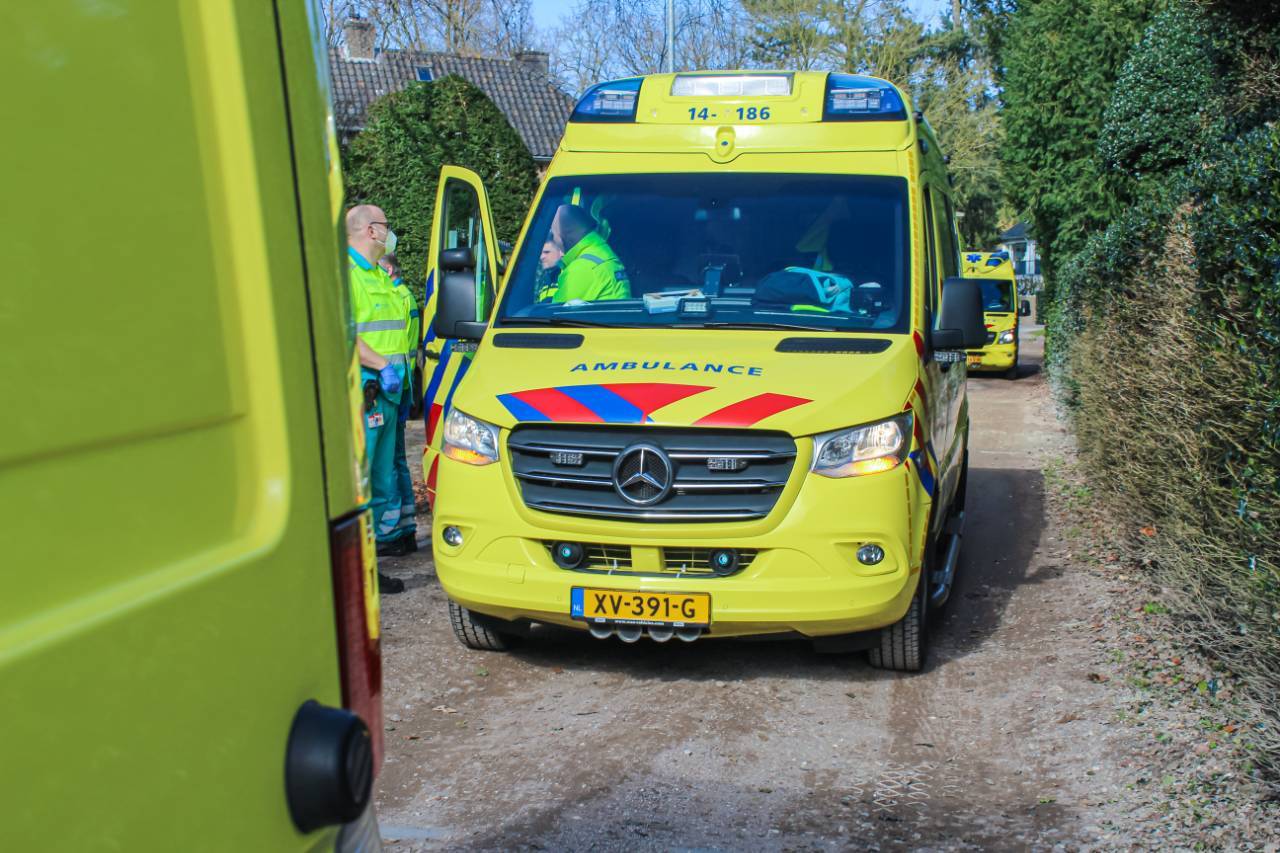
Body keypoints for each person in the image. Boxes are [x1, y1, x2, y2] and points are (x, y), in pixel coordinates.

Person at [345, 204, 410, 591]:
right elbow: (346, 332)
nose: (389, 232)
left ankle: (369, 565)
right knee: (363, 483)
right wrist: (382, 365)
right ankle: (357, 570)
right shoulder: (348, 275)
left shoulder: (377, 276)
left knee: (382, 484)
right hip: (366, 391)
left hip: (388, 393)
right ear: (371, 230)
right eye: (386, 226)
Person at [378, 252, 420, 553]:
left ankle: (392, 530)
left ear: (389, 269)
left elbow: (402, 343)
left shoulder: (398, 295)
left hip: (387, 385)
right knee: (398, 459)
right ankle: (405, 526)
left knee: (388, 462)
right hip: (398, 381)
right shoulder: (402, 296)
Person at [549, 204, 630, 302]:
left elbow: (554, 314)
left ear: (564, 237)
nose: (553, 240)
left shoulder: (581, 268)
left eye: (553, 235)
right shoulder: (601, 253)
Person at [534, 237, 563, 302]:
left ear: (561, 252)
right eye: (540, 253)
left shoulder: (567, 276)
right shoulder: (544, 279)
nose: (541, 257)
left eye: (547, 252)